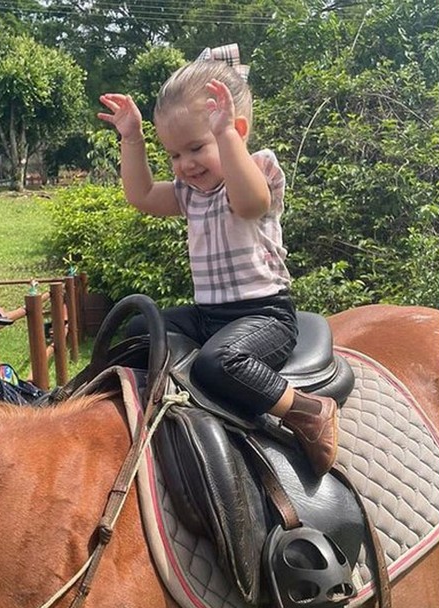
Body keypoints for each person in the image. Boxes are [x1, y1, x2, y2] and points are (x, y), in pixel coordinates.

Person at [97, 45, 338, 477]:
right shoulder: (190, 192)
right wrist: (132, 140)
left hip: (265, 315)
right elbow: (143, 197)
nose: (185, 165)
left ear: (237, 131)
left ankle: (306, 411)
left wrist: (227, 138)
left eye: (195, 148)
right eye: (174, 154)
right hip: (209, 315)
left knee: (219, 362)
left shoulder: (258, 169)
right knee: (138, 332)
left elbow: (249, 205)